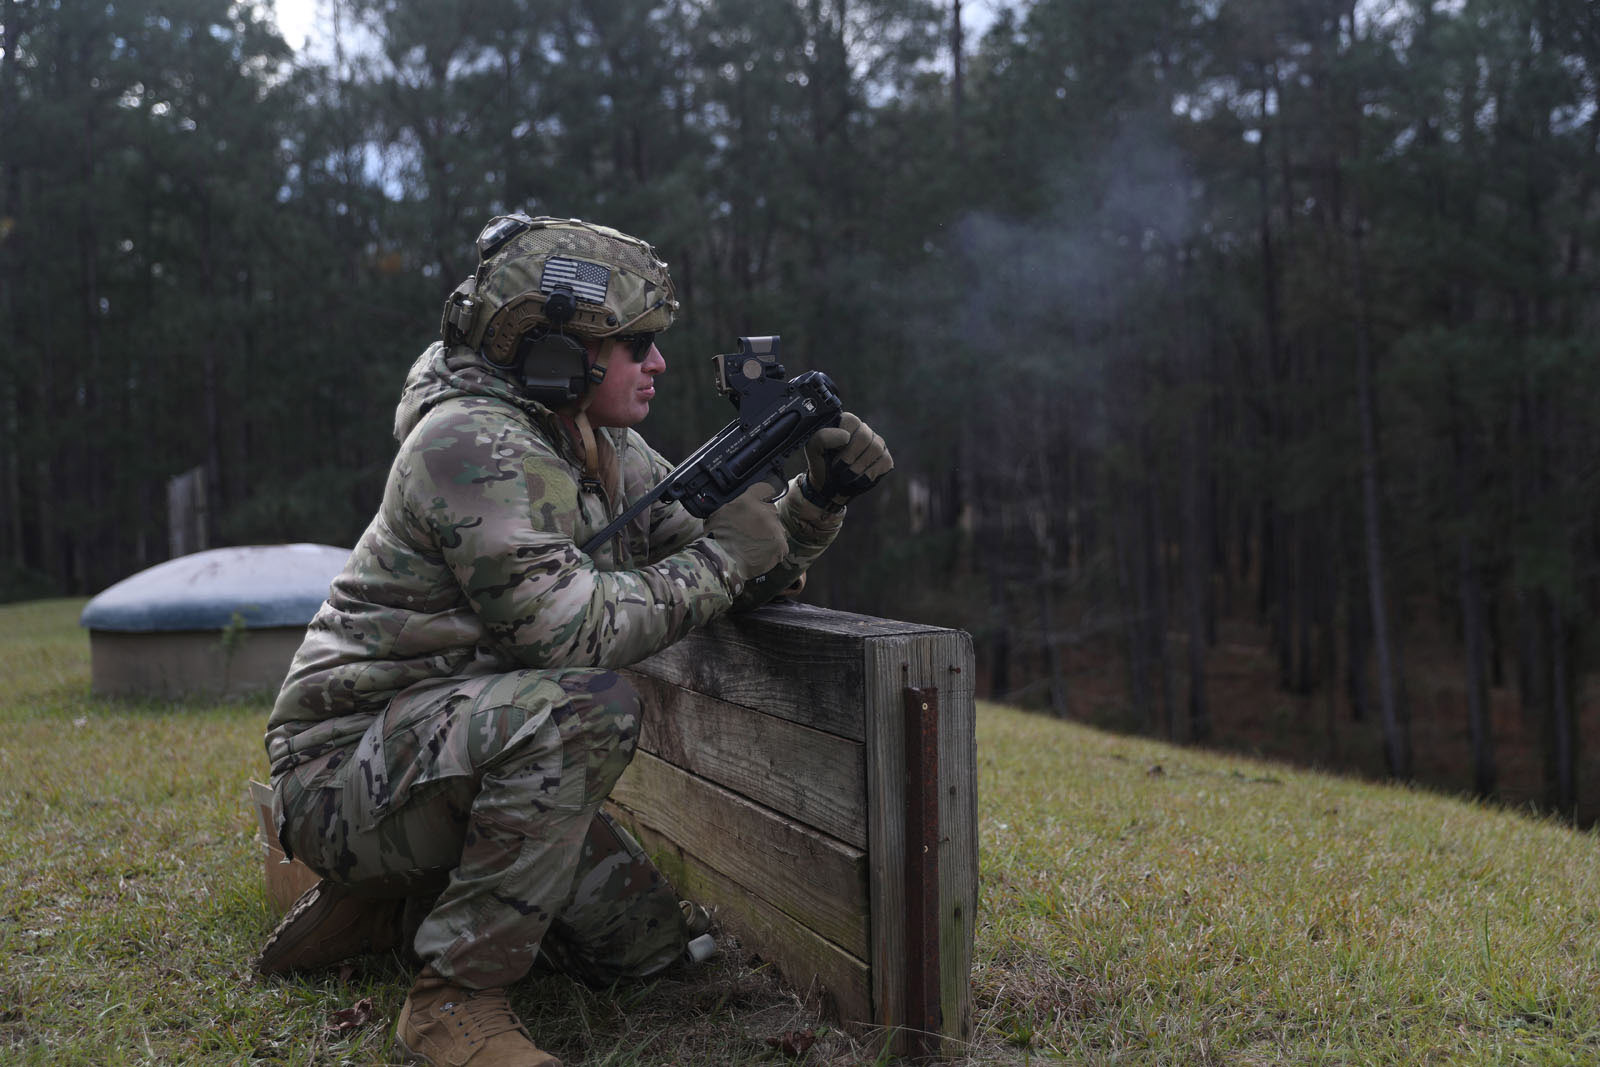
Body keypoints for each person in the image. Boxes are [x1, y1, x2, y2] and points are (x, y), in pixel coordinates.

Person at [256, 214, 892, 1067]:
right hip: (343, 771)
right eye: (637, 345)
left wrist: (815, 501)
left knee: (656, 957)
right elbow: (569, 635)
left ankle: (398, 901)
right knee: (583, 709)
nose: (659, 363)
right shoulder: (467, 444)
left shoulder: (598, 442)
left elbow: (737, 564)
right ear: (555, 354)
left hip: (449, 748)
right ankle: (452, 1002)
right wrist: (719, 560)